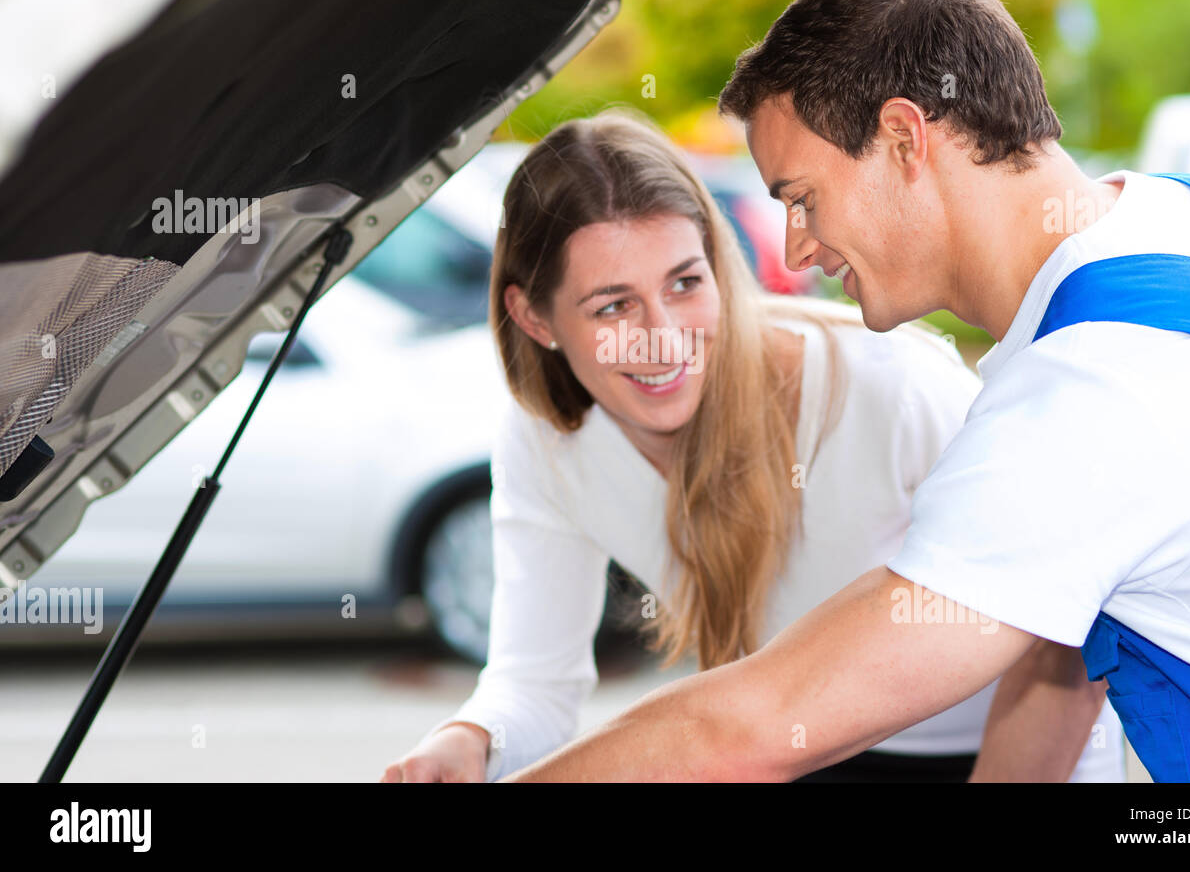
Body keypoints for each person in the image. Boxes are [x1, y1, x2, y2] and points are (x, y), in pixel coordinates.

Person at [501, 0, 1190, 783]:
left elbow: (756, 726)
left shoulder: (1081, 400)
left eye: (802, 198)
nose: (797, 247)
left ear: (903, 138)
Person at [381, 108, 1124, 783]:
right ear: (534, 318)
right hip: (786, 750)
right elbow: (534, 683)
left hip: (1000, 756)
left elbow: (1069, 641)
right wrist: (471, 736)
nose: (664, 339)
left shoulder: (884, 387)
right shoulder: (546, 442)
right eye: (612, 305)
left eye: (683, 283)